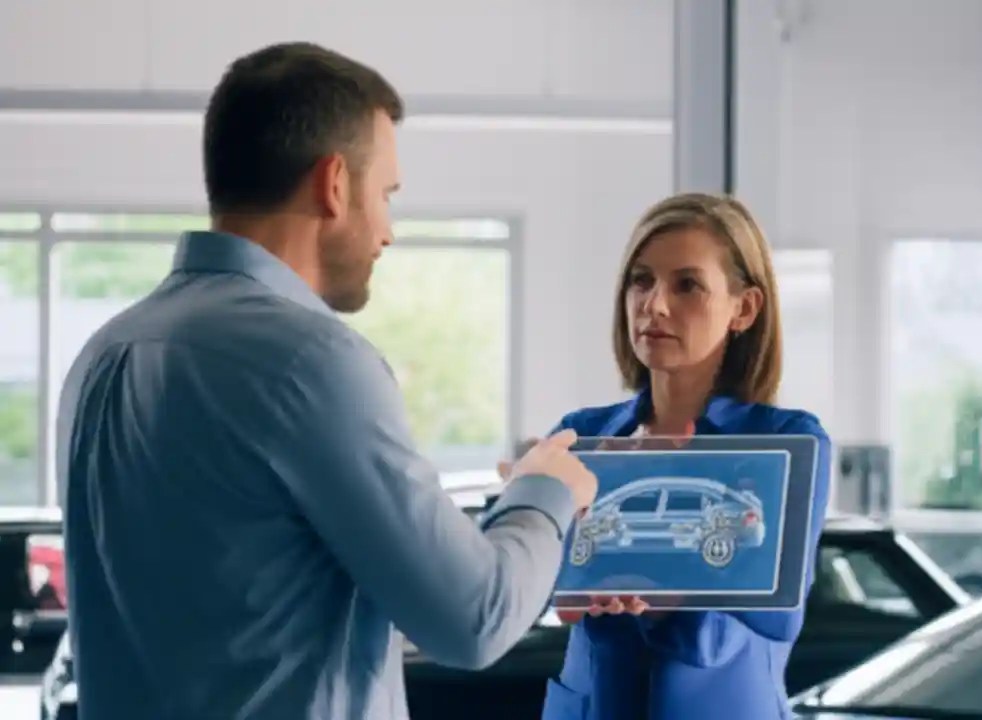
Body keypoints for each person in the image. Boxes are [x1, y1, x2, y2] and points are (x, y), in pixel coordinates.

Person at [54, 41, 597, 720]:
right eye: (386, 195)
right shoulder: (310, 361)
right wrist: (543, 490)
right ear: (334, 183)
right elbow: (474, 619)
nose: (389, 232)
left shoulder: (102, 356)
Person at [539, 193, 833, 720]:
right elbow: (533, 590)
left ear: (744, 308)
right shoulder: (581, 435)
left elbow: (778, 615)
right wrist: (525, 505)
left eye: (687, 285)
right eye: (640, 280)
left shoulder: (784, 443)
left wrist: (658, 589)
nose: (653, 304)